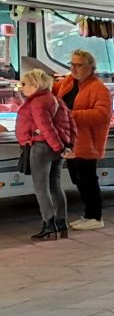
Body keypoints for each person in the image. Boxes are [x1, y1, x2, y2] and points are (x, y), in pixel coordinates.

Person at [53, 50, 112, 232]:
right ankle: (88, 215)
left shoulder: (99, 89)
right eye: (71, 64)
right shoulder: (68, 82)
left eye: (78, 65)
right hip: (70, 141)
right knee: (78, 179)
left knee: (88, 179)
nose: (73, 68)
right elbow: (51, 90)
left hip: (88, 142)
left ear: (90, 68)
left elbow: (102, 114)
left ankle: (95, 216)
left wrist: (72, 116)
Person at [14, 69, 75, 242]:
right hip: (56, 148)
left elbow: (46, 127)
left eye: (24, 84)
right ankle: (61, 223)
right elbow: (71, 124)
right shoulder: (56, 100)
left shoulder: (37, 102)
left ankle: (49, 225)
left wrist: (58, 147)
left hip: (41, 147)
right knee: (55, 184)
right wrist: (67, 146)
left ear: (35, 85)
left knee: (41, 187)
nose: (21, 87)